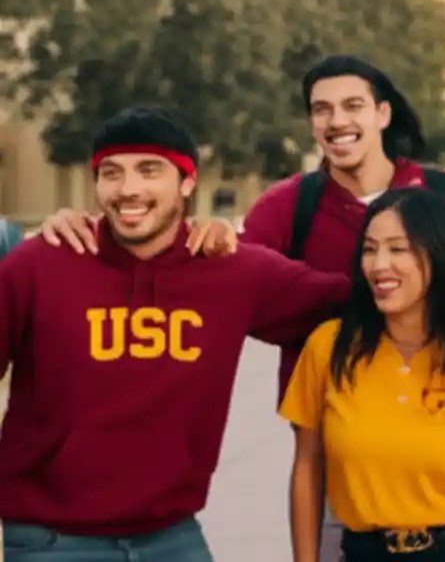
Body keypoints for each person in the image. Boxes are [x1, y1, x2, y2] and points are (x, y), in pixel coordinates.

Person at [34, 56, 445, 561]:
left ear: (383, 114)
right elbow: (221, 268)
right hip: (341, 443)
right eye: (321, 110)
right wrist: (93, 230)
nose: (337, 121)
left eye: (352, 106)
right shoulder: (290, 205)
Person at [0, 107, 350, 562]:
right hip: (53, 540)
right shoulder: (40, 265)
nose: (128, 189)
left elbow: (361, 300)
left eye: (149, 171)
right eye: (111, 173)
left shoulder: (233, 271)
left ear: (186, 183)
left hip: (171, 536)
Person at [281, 187, 445, 562]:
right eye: (370, 249)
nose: (378, 264)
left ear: (440, 254)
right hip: (365, 551)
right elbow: (307, 467)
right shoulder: (328, 347)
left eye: (397, 249)